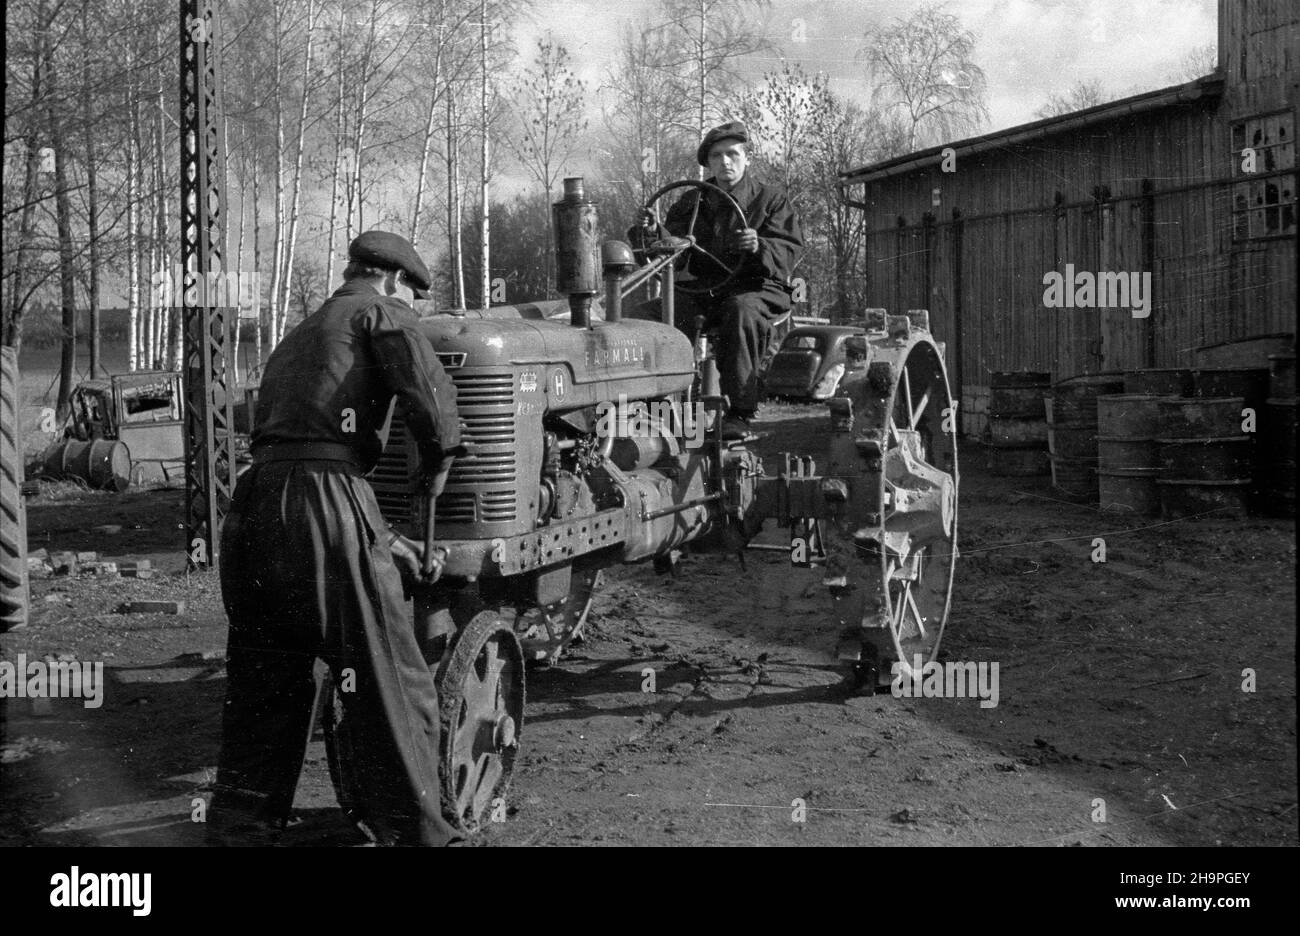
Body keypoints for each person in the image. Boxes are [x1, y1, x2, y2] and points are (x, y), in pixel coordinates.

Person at [210, 230, 464, 846]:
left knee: (265, 680)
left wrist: (380, 538)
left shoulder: (298, 334)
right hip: (327, 495)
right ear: (394, 280)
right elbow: (432, 402)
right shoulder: (382, 312)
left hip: (255, 505)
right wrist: (441, 459)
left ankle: (240, 831)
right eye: (411, 294)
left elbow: (299, 440)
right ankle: (421, 836)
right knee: (391, 682)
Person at [632, 121, 804, 439]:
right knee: (645, 318)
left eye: (732, 154)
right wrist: (654, 233)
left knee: (741, 311)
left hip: (760, 285)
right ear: (708, 163)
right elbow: (676, 251)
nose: (725, 162)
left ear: (746, 157)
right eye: (716, 156)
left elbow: (790, 250)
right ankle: (651, 406)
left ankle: (740, 411)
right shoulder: (692, 202)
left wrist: (760, 246)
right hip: (708, 289)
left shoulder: (770, 200)